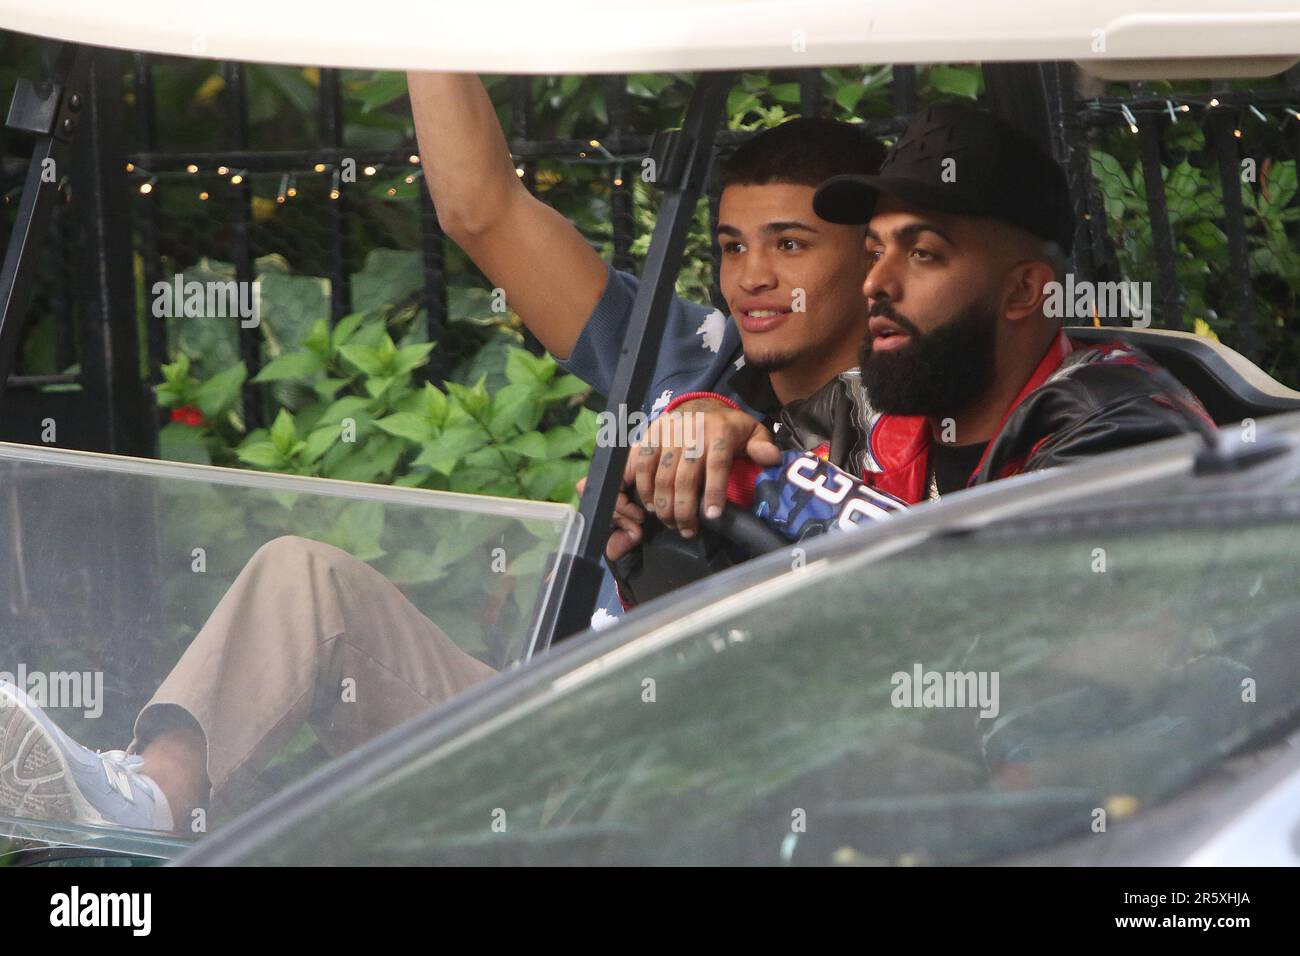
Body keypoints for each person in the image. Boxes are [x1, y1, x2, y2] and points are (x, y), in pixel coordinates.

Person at [0, 83, 888, 833]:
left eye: (791, 244)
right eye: (734, 245)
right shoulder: (689, 350)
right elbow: (479, 208)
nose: (753, 277)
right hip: (535, 743)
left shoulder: (906, 429)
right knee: (302, 578)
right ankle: (151, 799)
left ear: (874, 258)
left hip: (699, 799)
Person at [626, 103, 1216, 562]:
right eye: (874, 249)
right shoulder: (870, 403)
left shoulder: (1124, 423)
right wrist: (683, 453)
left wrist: (758, 480)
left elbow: (1006, 605)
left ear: (1022, 291)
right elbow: (759, 458)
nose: (875, 282)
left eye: (924, 254)